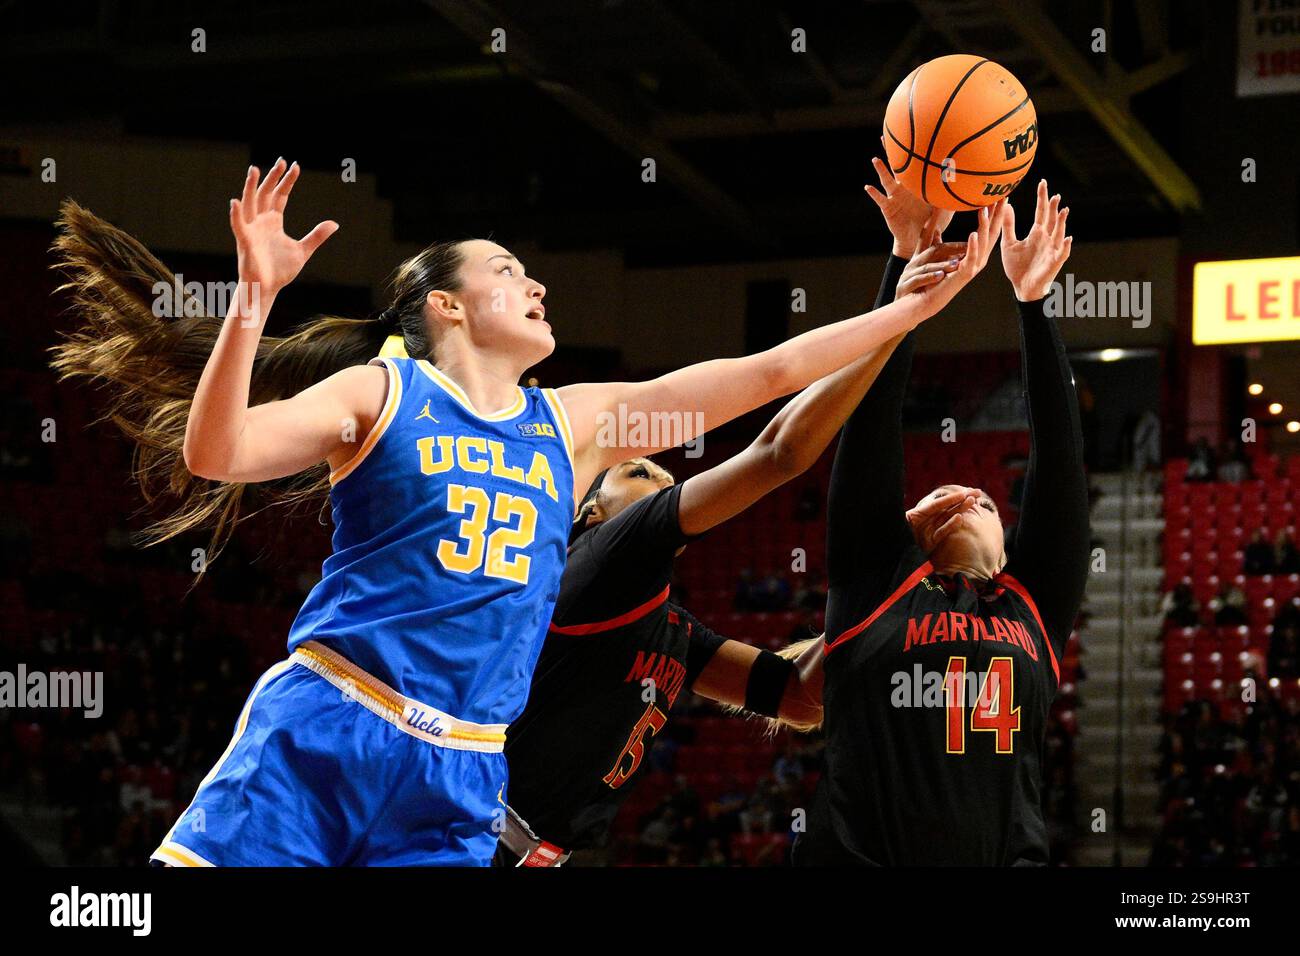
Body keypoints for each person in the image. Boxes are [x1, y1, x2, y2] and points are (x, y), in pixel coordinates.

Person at [51, 160, 994, 867]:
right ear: (446, 307)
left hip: (464, 772)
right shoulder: (380, 394)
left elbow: (767, 379)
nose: (537, 284)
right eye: (508, 270)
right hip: (334, 722)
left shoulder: (575, 423)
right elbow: (217, 454)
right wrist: (252, 300)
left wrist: (908, 306)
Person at [494, 162, 995, 865]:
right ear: (590, 516)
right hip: (479, 839)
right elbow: (780, 452)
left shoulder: (663, 623)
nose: (663, 475)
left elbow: (797, 696)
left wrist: (897, 576)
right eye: (638, 470)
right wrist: (902, 300)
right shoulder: (598, 564)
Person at [793, 180, 1089, 866]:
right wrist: (904, 283)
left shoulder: (1032, 604)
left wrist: (1034, 304)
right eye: (939, 496)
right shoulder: (877, 582)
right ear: (907, 535)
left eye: (980, 497)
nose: (960, 493)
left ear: (1008, 546)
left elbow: (1063, 462)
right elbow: (869, 428)